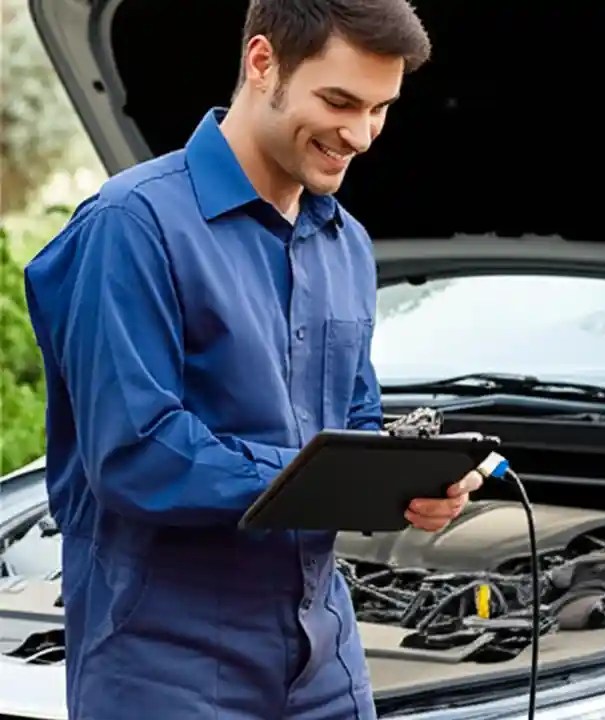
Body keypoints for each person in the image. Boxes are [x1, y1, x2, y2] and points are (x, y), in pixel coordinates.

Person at [22, 1, 478, 717]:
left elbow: (355, 423)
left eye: (380, 109)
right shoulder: (130, 225)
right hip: (165, 669)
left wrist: (407, 486)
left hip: (327, 662)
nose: (361, 135)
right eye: (340, 102)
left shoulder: (347, 244)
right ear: (262, 62)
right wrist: (317, 478)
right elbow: (137, 453)